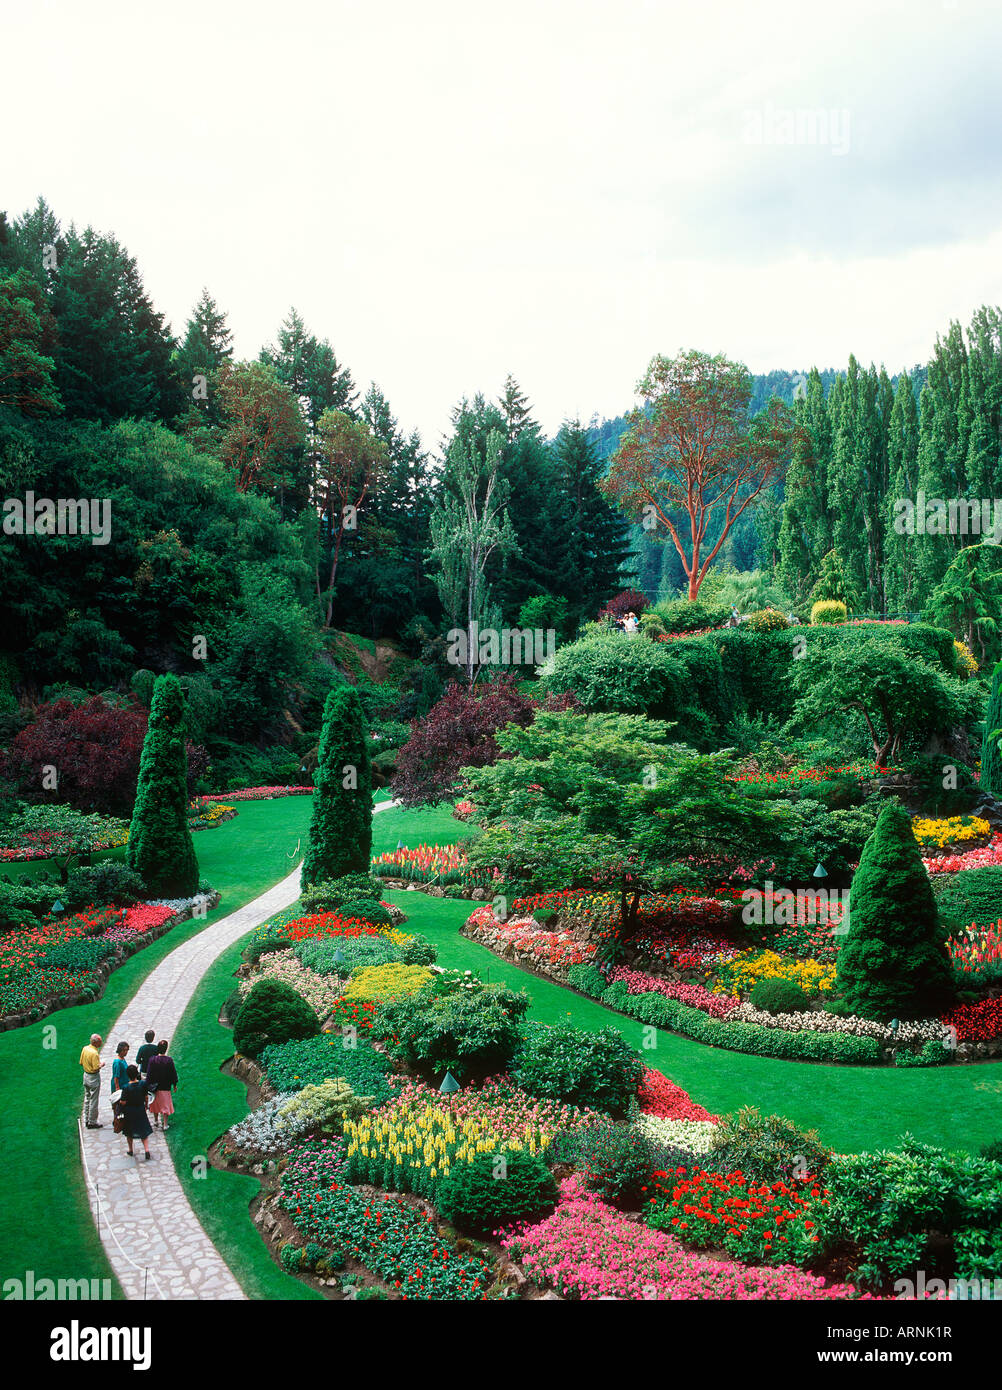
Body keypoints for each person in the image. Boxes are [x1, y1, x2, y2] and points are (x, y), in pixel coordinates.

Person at [119, 1065, 153, 1160]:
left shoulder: (126, 1087)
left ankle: (130, 1150)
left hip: (129, 1111)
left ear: (128, 1075)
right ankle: (146, 1150)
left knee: (129, 1131)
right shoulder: (142, 1084)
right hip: (140, 1109)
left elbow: (123, 1101)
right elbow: (146, 1096)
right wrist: (146, 1105)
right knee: (143, 1129)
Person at [146, 1040, 179, 1131]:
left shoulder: (152, 1060)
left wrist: (148, 1085)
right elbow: (173, 1073)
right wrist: (174, 1084)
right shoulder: (169, 1060)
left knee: (155, 1104)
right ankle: (165, 1124)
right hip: (165, 1087)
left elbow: (149, 1074)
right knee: (165, 1105)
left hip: (154, 1087)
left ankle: (156, 1121)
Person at [79, 1033, 105, 1129]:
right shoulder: (94, 1053)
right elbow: (95, 1068)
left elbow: (81, 1062)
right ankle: (92, 1121)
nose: (101, 1043)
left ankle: (86, 1119)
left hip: (85, 1075)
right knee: (94, 1100)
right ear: (96, 1042)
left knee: (87, 1098)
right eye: (100, 1041)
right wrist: (101, 1064)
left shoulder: (85, 1048)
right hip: (93, 1077)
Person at [110, 1041, 130, 1121]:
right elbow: (116, 1076)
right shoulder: (117, 1062)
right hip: (119, 1085)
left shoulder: (122, 1059)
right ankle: (117, 1120)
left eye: (127, 1050)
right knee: (117, 1104)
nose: (126, 1052)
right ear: (120, 1050)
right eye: (124, 1050)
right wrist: (117, 1088)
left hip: (124, 1083)